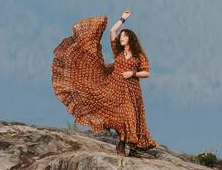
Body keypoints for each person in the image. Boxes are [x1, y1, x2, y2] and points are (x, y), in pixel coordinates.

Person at [51, 9, 158, 154]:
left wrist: (133, 73)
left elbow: (147, 73)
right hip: (114, 88)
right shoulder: (118, 52)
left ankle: (131, 147)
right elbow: (112, 31)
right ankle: (122, 143)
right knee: (121, 116)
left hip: (132, 91)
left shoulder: (139, 56)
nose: (121, 38)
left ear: (130, 39)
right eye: (121, 36)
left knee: (131, 116)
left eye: (124, 36)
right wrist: (122, 19)